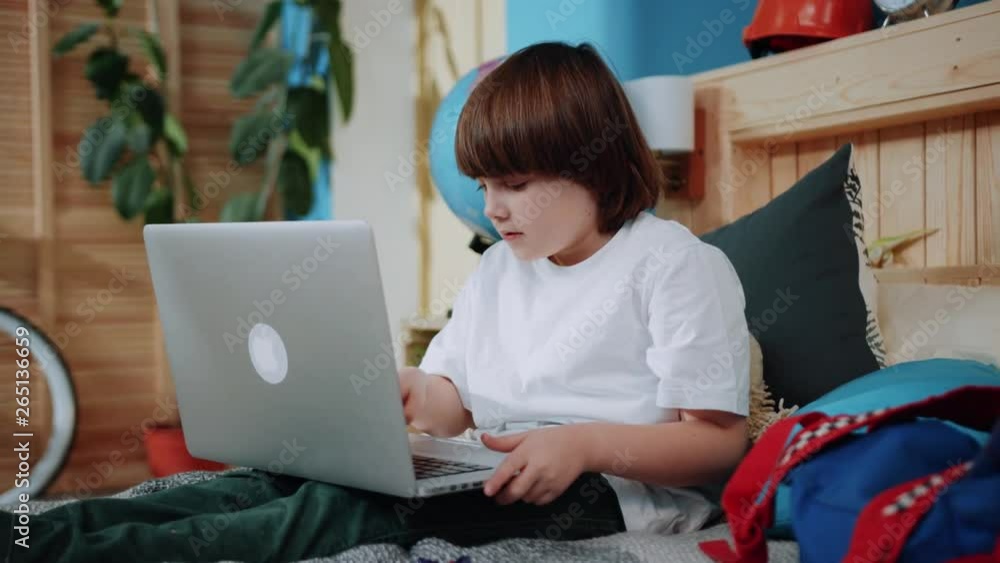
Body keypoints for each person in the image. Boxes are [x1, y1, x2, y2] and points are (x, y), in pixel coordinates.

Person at [1, 41, 749, 562]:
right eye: (484, 185)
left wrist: (581, 444)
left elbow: (718, 445)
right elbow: (454, 405)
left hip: (606, 488)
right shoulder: (501, 269)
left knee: (339, 513)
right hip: (483, 460)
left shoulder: (673, 264)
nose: (493, 207)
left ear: (595, 162)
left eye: (515, 184)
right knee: (265, 485)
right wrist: (413, 390)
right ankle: (29, 532)